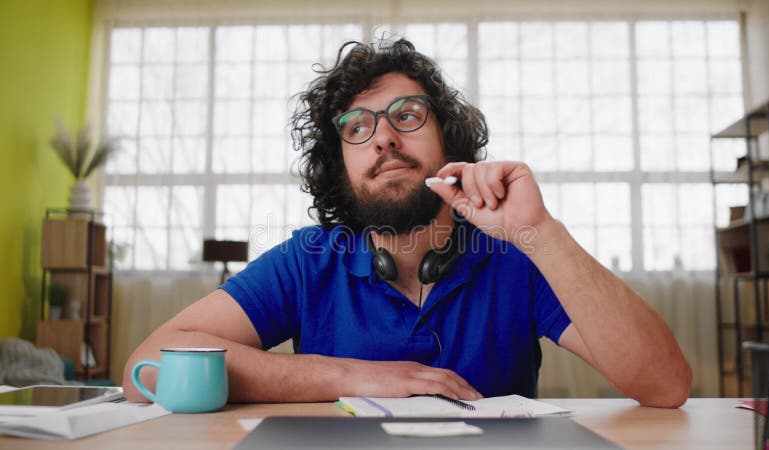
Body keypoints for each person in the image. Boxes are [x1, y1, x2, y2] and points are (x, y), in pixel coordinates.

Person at [123, 38, 692, 407]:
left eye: (407, 115)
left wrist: (540, 232)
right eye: (357, 128)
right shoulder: (308, 260)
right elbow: (144, 367)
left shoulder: (517, 254)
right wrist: (355, 377)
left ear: (447, 135)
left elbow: (665, 386)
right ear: (340, 164)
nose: (386, 137)